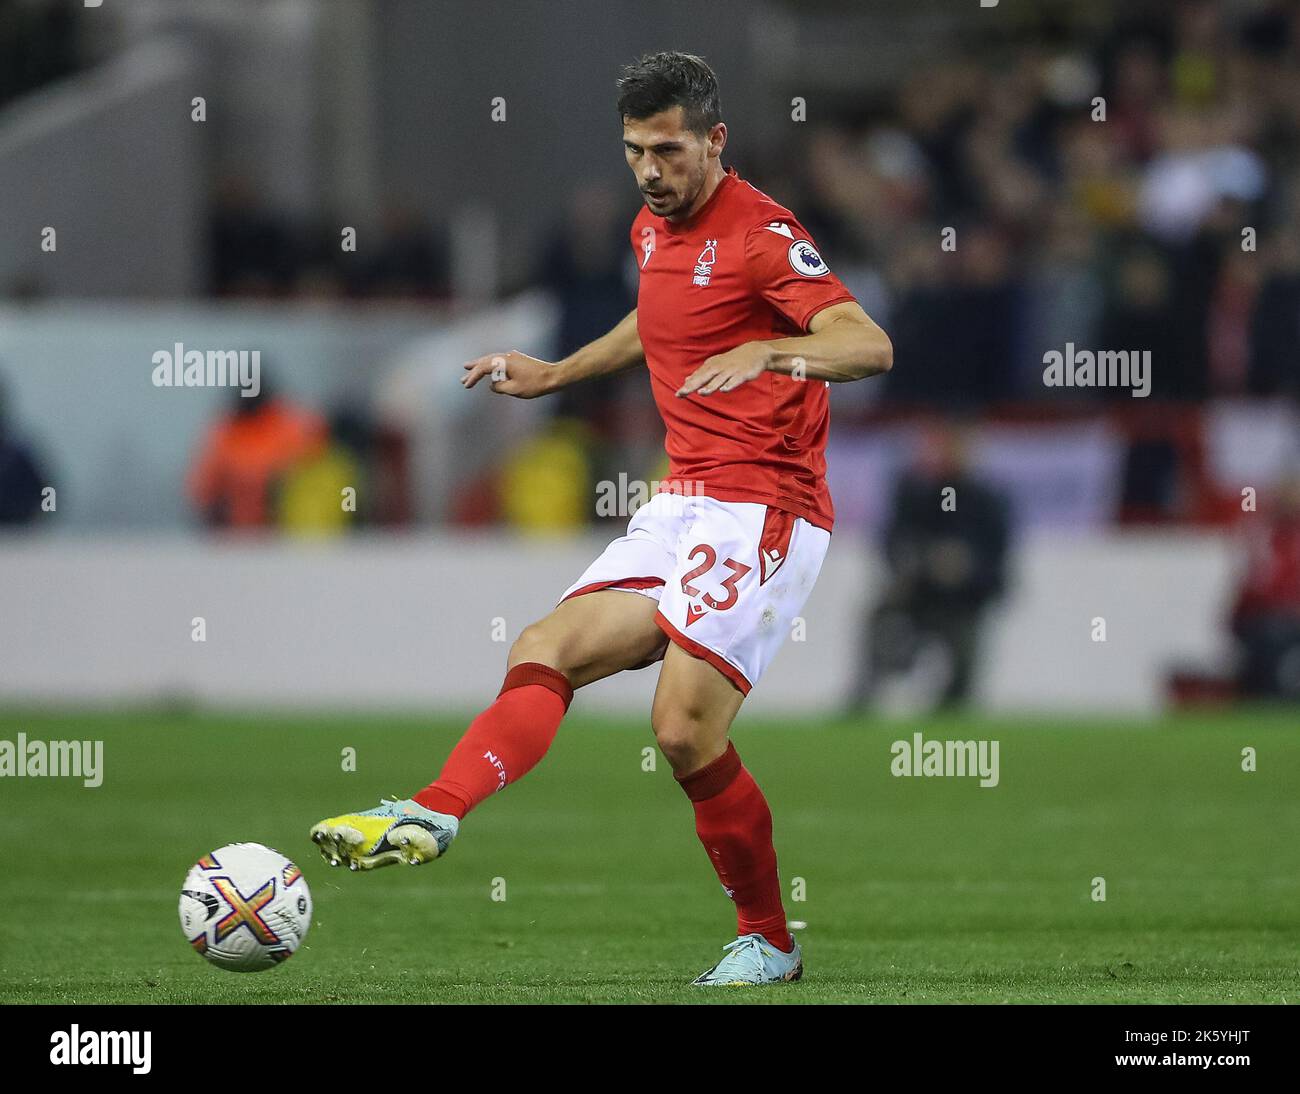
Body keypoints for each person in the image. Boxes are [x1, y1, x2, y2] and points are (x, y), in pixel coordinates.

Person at [311, 51, 893, 987]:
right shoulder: (652, 228)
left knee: (681, 731)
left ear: (715, 140)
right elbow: (655, 319)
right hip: (681, 500)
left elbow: (868, 343)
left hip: (766, 509)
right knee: (545, 647)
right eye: (634, 153)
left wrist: (772, 351)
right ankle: (433, 809)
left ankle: (768, 941)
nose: (651, 172)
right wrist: (554, 373)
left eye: (668, 151)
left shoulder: (763, 233)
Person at [849, 423, 1011, 710]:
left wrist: (965, 569)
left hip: (963, 603)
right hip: (917, 594)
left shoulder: (987, 502)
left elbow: (999, 566)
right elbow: (892, 546)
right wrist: (924, 562)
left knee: (963, 659)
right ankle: (866, 695)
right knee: (880, 618)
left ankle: (952, 706)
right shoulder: (916, 493)